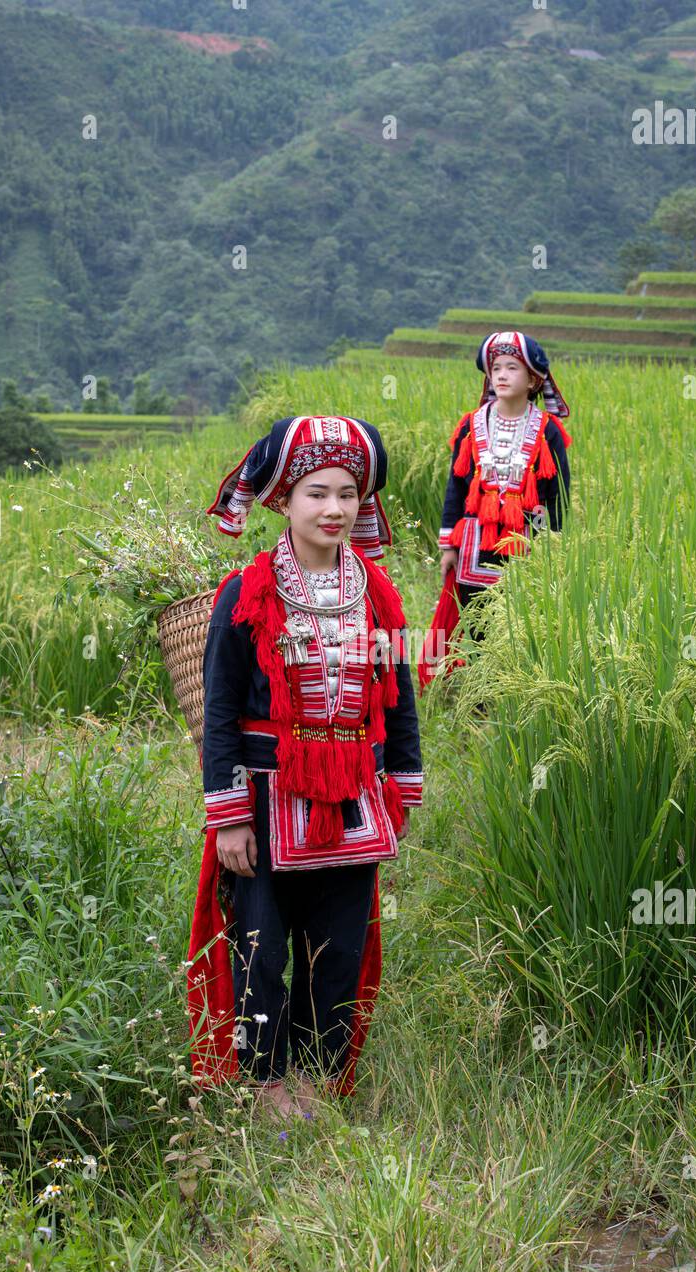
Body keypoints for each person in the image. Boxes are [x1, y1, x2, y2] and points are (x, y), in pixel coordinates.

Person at [187, 416, 423, 1121]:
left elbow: (398, 697)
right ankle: (267, 1084)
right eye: (318, 493)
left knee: (339, 949)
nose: (334, 510)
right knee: (260, 949)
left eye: (348, 494)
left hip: (353, 795)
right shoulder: (249, 589)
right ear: (285, 501)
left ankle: (320, 1079)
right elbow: (221, 707)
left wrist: (403, 785)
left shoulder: (376, 591)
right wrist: (227, 817)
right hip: (264, 798)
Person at [418, 332, 572, 690]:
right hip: (474, 543)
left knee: (517, 620)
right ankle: (481, 694)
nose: (501, 375)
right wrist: (447, 546)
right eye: (495, 368)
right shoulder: (471, 425)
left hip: (525, 544)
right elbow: (455, 486)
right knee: (476, 621)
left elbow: (557, 494)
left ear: (534, 379)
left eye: (512, 368)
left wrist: (552, 545)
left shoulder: (548, 431)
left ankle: (513, 689)